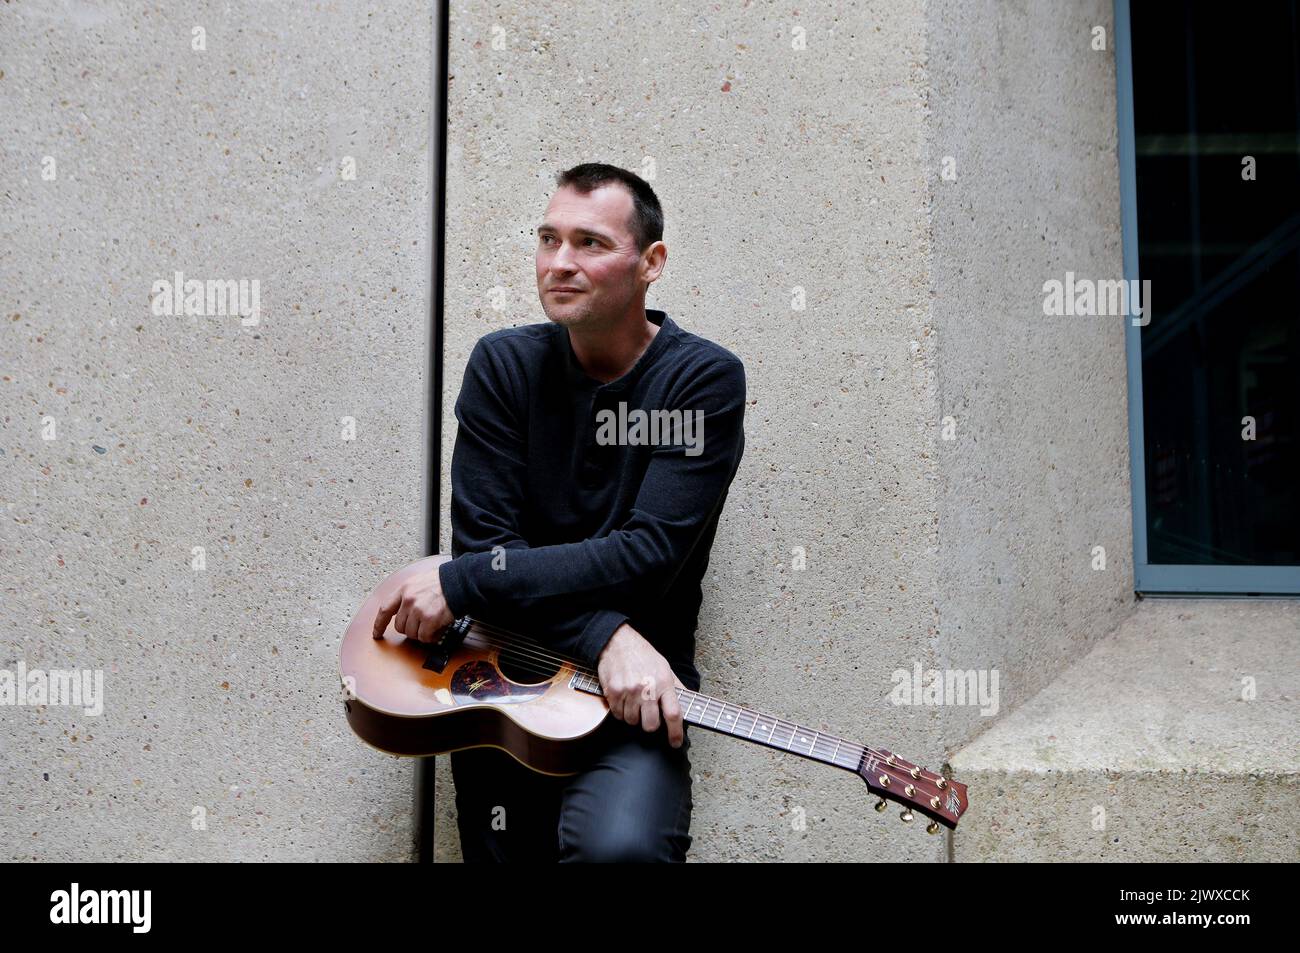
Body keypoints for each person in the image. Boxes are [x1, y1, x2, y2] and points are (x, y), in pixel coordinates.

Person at [374, 162, 746, 862]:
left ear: (651, 262)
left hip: (632, 703)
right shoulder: (504, 368)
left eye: (590, 243)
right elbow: (487, 546)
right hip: (498, 686)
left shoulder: (700, 382)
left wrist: (462, 583)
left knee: (624, 850)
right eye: (549, 239)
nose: (560, 263)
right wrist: (608, 632)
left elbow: (645, 557)